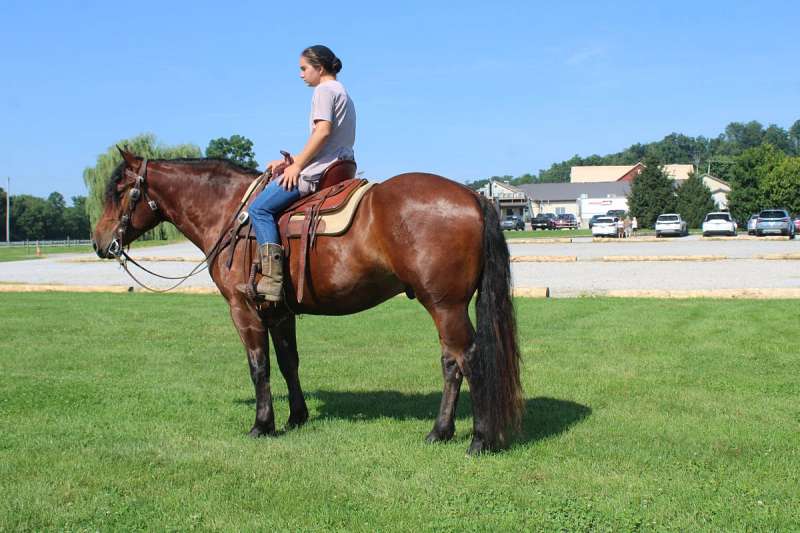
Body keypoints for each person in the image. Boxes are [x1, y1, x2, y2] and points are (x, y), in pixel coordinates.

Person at [246, 45, 356, 302]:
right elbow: (330, 143)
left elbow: (322, 132)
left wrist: (297, 168)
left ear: (319, 68)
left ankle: (272, 280)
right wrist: (291, 160)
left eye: (304, 68)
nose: (301, 74)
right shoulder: (343, 93)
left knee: (259, 209)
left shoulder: (324, 90)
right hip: (339, 163)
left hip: (317, 172)